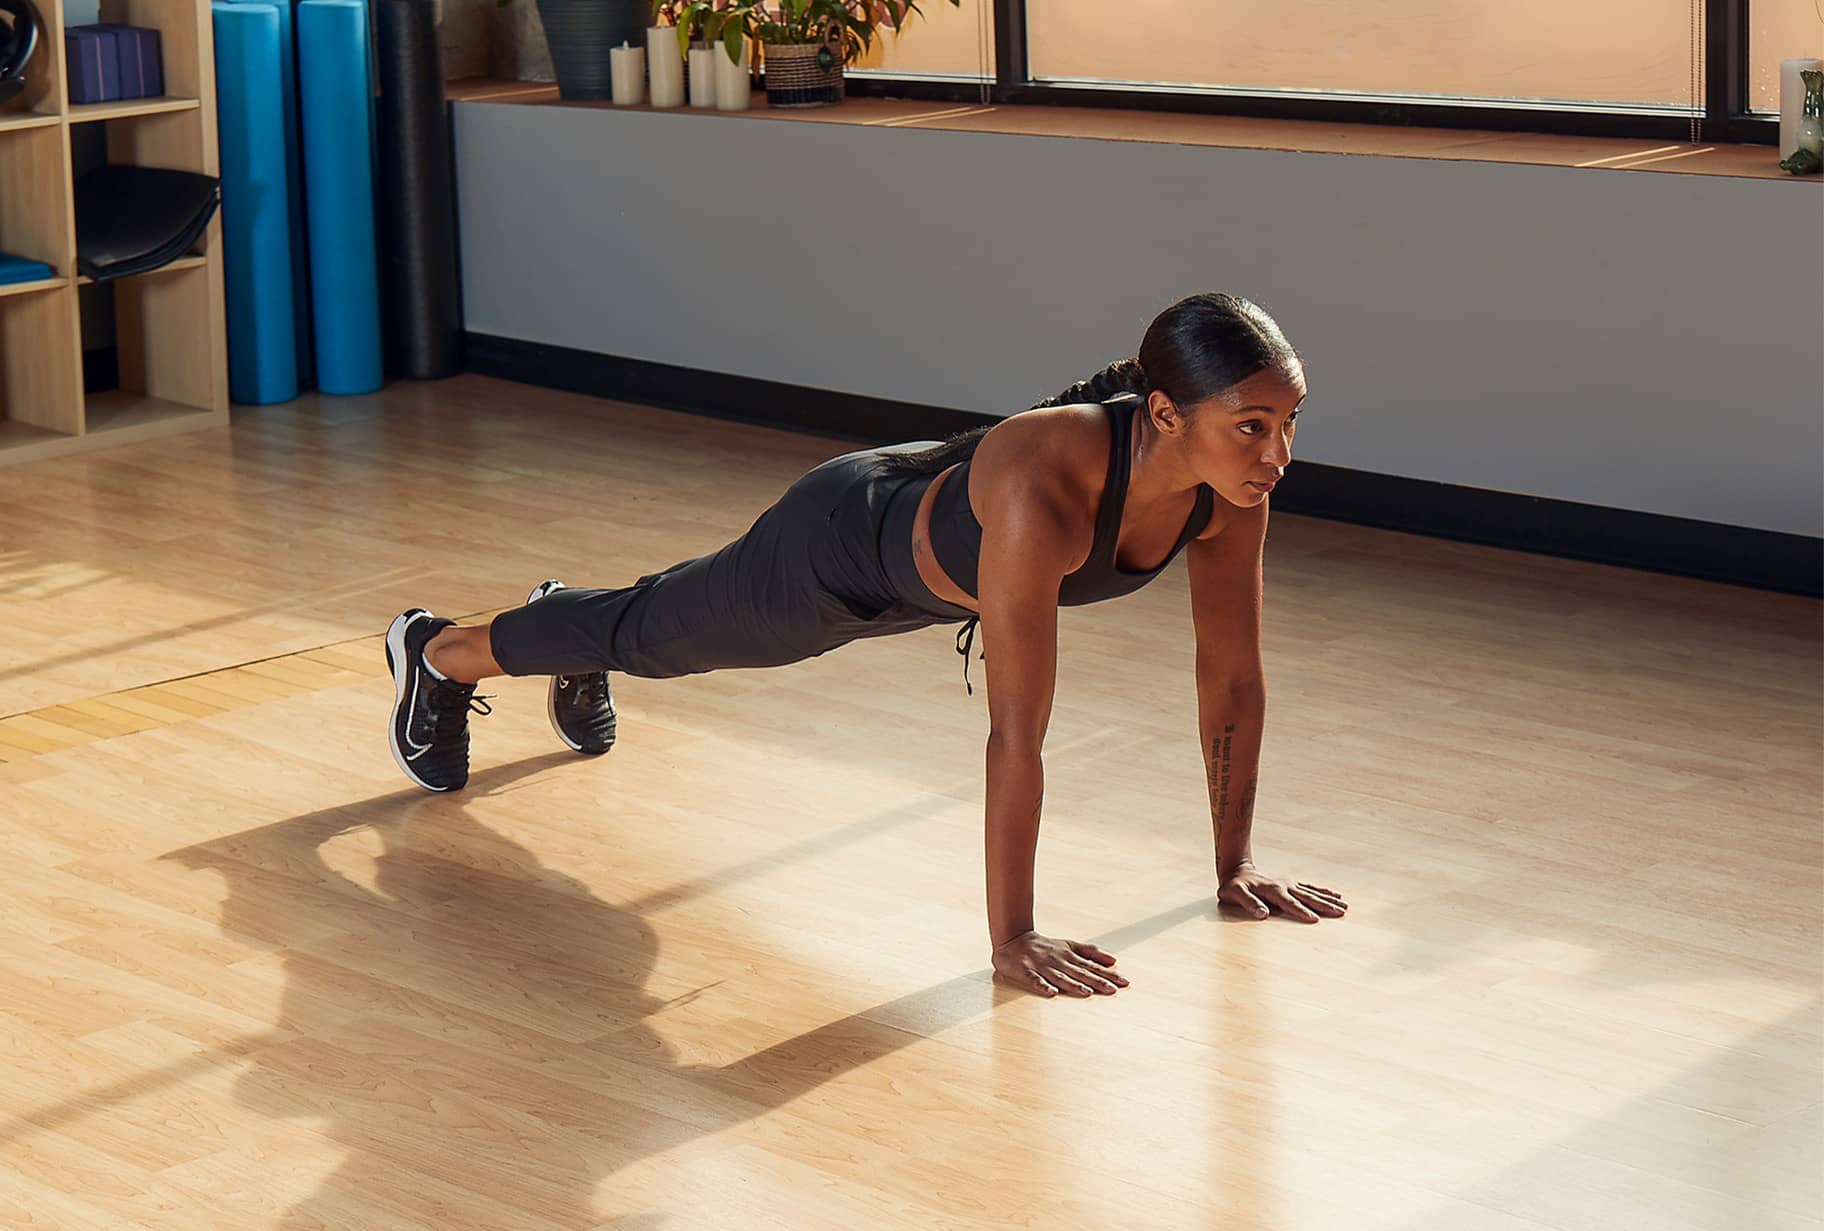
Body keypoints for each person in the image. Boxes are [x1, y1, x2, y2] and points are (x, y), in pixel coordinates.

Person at [384, 291, 1348, 1000]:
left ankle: (572, 631)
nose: (1276, 456)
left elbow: (1231, 677)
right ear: (1168, 414)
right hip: (837, 555)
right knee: (656, 634)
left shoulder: (1229, 497)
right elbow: (1018, 732)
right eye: (1252, 427)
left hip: (924, 580)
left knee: (657, 620)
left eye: (1288, 424)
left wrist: (1237, 865)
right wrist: (1012, 936)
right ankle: (437, 652)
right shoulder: (1045, 486)